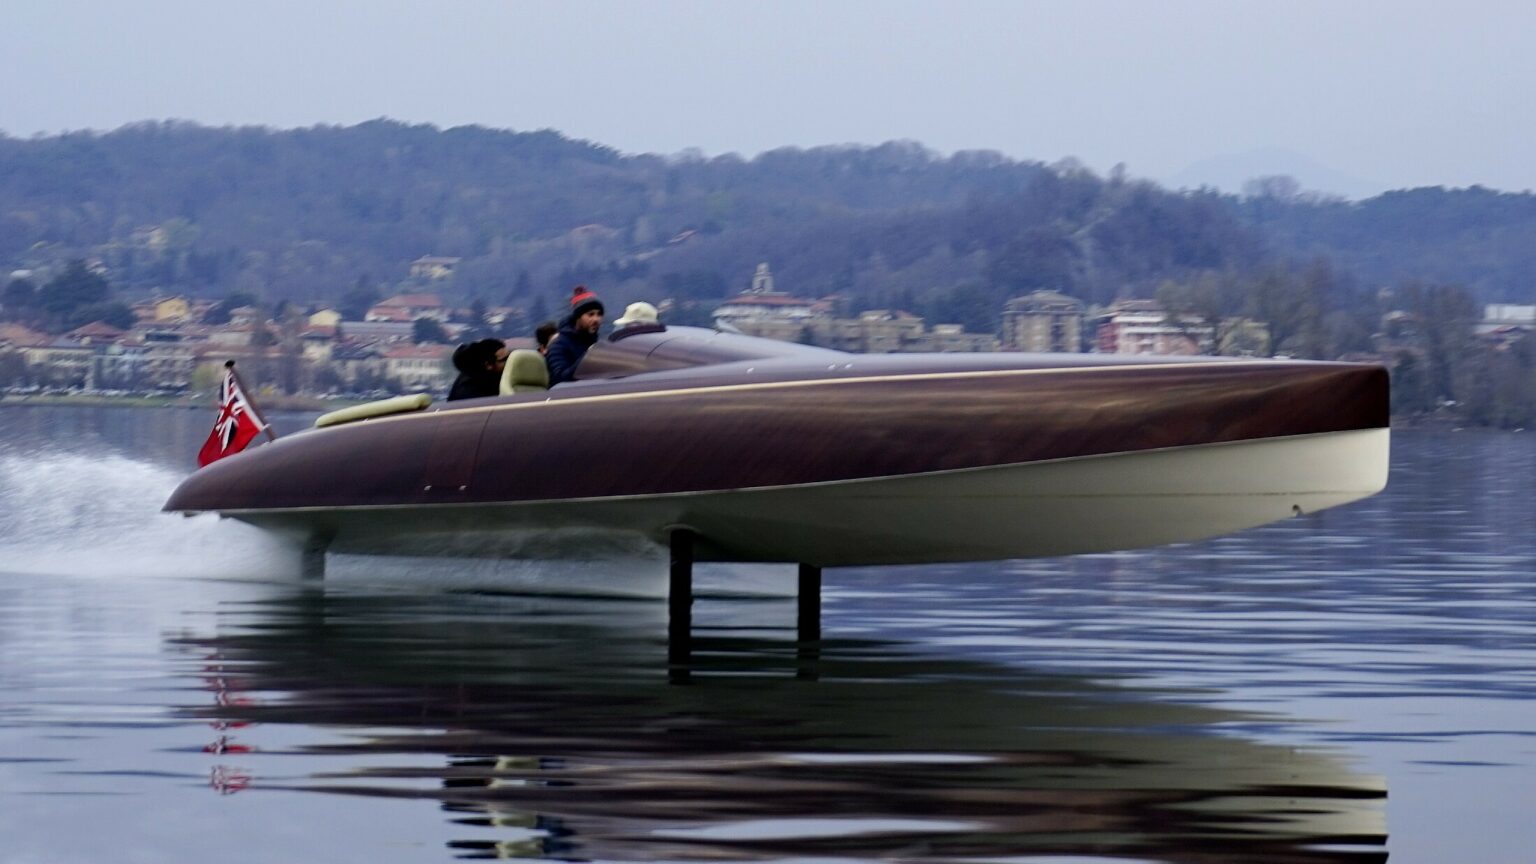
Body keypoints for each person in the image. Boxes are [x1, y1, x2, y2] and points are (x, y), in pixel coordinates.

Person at [545, 286, 604, 385]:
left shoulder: (597, 343)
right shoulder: (558, 346)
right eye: (590, 314)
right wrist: (587, 357)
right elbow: (560, 379)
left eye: (599, 314)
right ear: (578, 317)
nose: (596, 319)